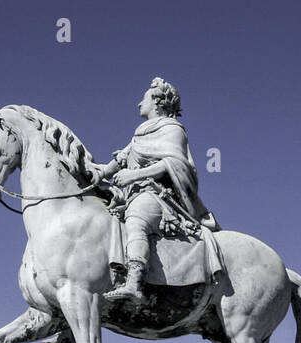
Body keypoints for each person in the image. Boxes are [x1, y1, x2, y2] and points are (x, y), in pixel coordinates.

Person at [91, 78, 218, 303]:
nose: (139, 103)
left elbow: (176, 163)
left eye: (144, 98)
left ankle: (134, 283)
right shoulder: (140, 134)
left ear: (157, 103)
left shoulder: (172, 129)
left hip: (159, 197)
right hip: (133, 194)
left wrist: (135, 175)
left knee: (136, 218)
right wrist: (97, 173)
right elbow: (118, 162)